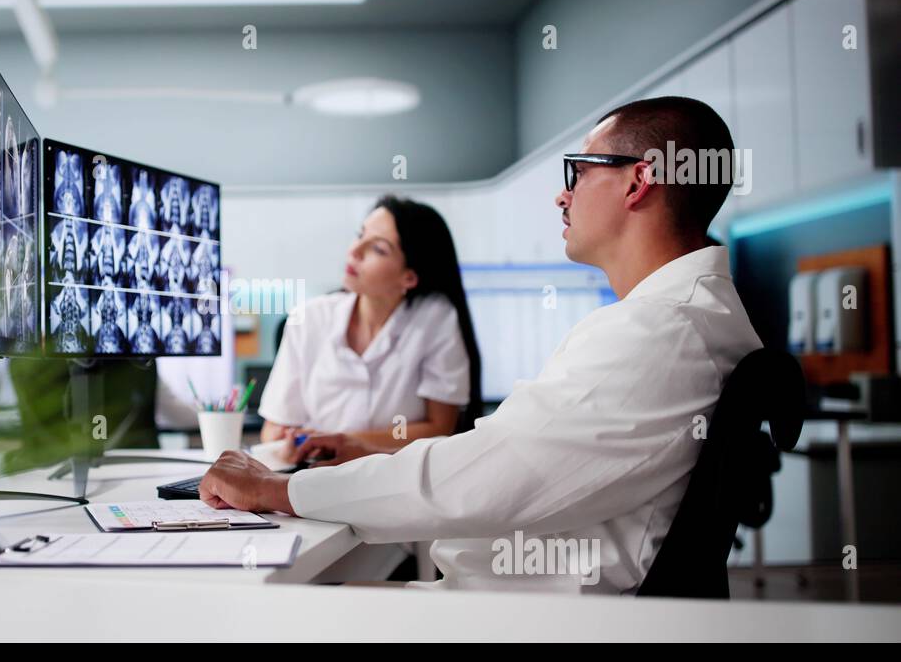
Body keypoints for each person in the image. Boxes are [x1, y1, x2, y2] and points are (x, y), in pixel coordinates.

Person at [199, 96, 762, 594]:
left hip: (520, 617)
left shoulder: (659, 332)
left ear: (638, 182)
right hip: (519, 601)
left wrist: (278, 489)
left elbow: (470, 479)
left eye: (580, 172)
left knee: (261, 615)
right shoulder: (681, 318)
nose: (562, 197)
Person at [258, 195, 482, 458]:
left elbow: (441, 428)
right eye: (360, 235)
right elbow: (274, 428)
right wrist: (290, 440)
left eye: (378, 248)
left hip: (396, 477)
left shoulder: (434, 318)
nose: (354, 251)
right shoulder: (308, 318)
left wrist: (344, 441)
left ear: (408, 277)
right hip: (313, 474)